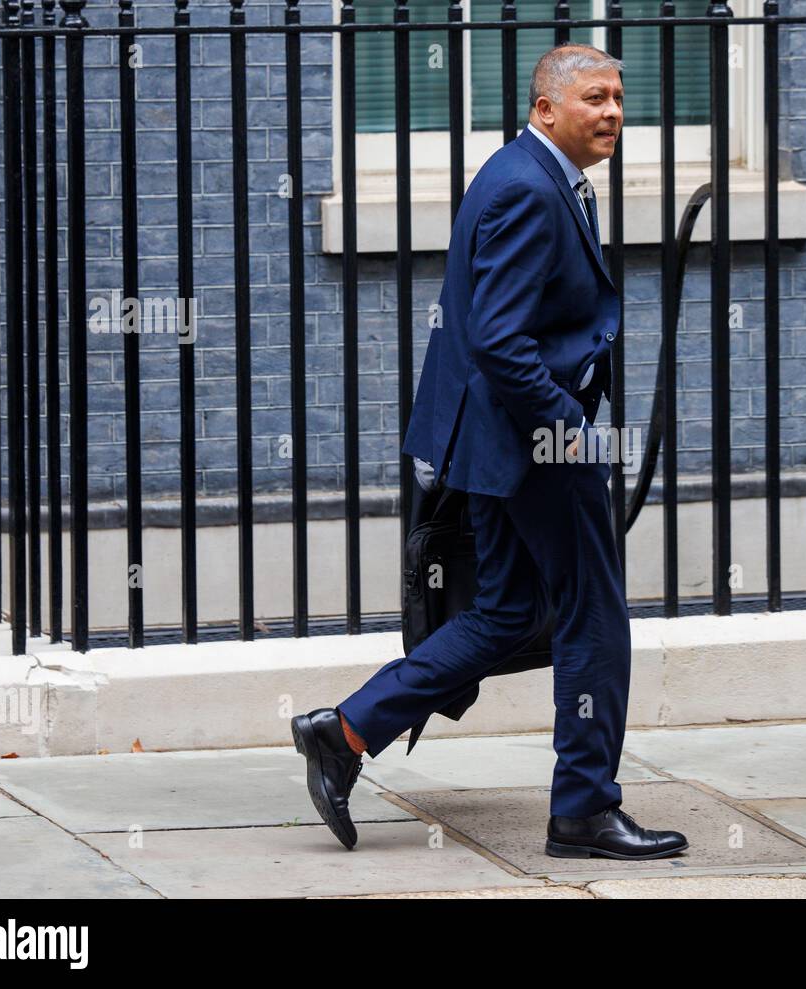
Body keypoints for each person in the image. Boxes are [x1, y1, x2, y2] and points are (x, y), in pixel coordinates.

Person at [292, 43, 688, 860]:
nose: (613, 112)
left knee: (506, 614)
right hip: (534, 443)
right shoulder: (527, 189)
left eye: (619, 97)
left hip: (499, 441)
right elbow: (501, 341)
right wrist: (569, 429)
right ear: (546, 108)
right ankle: (583, 808)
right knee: (594, 615)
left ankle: (345, 730)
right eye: (594, 98)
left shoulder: (529, 175)